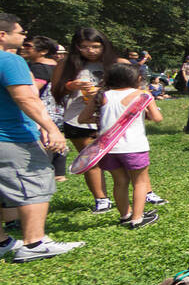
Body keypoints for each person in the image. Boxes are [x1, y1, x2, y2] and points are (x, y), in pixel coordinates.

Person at [0, 14, 84, 262]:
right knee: (36, 182)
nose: (24, 37)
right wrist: (51, 127)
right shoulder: (9, 60)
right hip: (12, 136)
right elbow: (26, 97)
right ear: (3, 35)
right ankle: (34, 243)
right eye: (21, 32)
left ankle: (3, 242)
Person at [51, 26, 118, 211]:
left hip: (110, 118)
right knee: (92, 160)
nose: (91, 51)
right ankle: (101, 199)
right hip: (77, 119)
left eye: (96, 46)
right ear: (76, 47)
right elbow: (56, 91)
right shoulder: (66, 64)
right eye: (85, 47)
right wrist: (71, 85)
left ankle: (142, 192)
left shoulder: (114, 63)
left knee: (120, 159)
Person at [95, 63, 164, 229]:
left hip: (108, 147)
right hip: (134, 145)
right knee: (139, 182)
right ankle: (137, 218)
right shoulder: (142, 94)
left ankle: (125, 215)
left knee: (119, 181)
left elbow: (84, 118)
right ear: (137, 78)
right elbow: (157, 118)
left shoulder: (102, 95)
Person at [22, 36, 67, 181]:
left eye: (28, 46)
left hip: (41, 110)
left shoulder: (39, 68)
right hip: (57, 109)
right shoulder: (56, 66)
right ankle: (59, 174)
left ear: (43, 51)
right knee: (55, 138)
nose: (23, 48)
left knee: (44, 141)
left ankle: (43, 173)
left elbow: (31, 92)